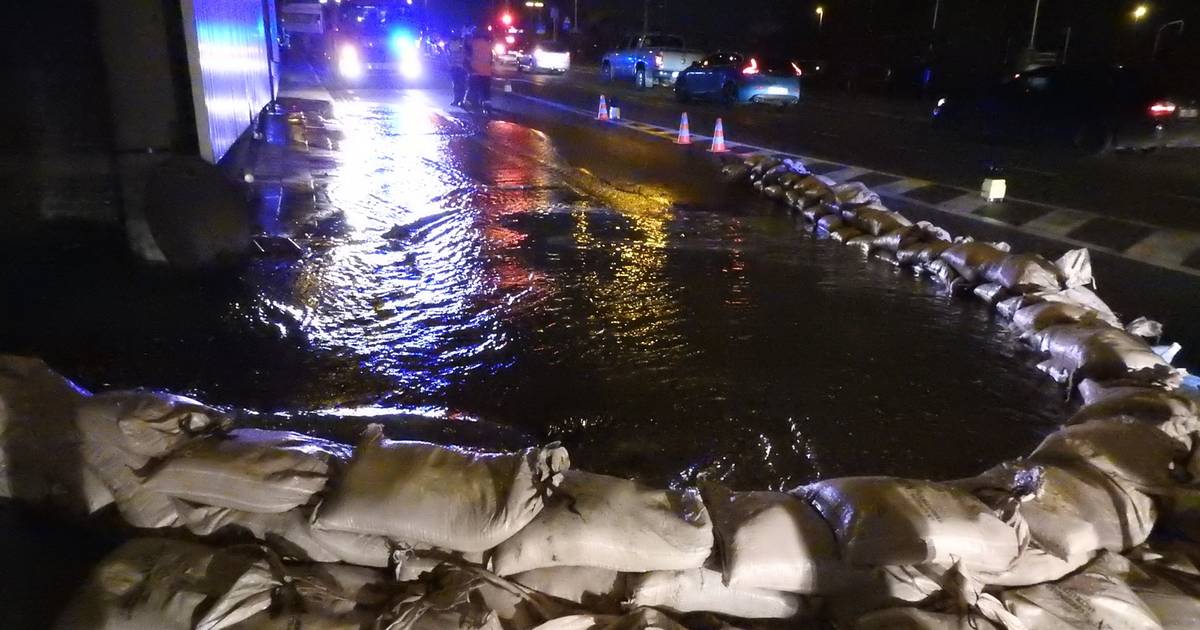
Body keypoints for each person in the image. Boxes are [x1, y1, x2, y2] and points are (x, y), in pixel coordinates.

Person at [466, 27, 493, 108]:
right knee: (485, 90)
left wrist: (468, 67)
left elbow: (467, 55)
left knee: (473, 88)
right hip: (487, 72)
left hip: (475, 71)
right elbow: (491, 57)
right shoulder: (487, 43)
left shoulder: (472, 43)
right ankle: (486, 104)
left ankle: (472, 103)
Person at [448, 31, 468, 107]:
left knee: (458, 85)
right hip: (459, 67)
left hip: (457, 67)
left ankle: (458, 100)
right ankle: (459, 100)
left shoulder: (454, 44)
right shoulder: (460, 44)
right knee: (460, 85)